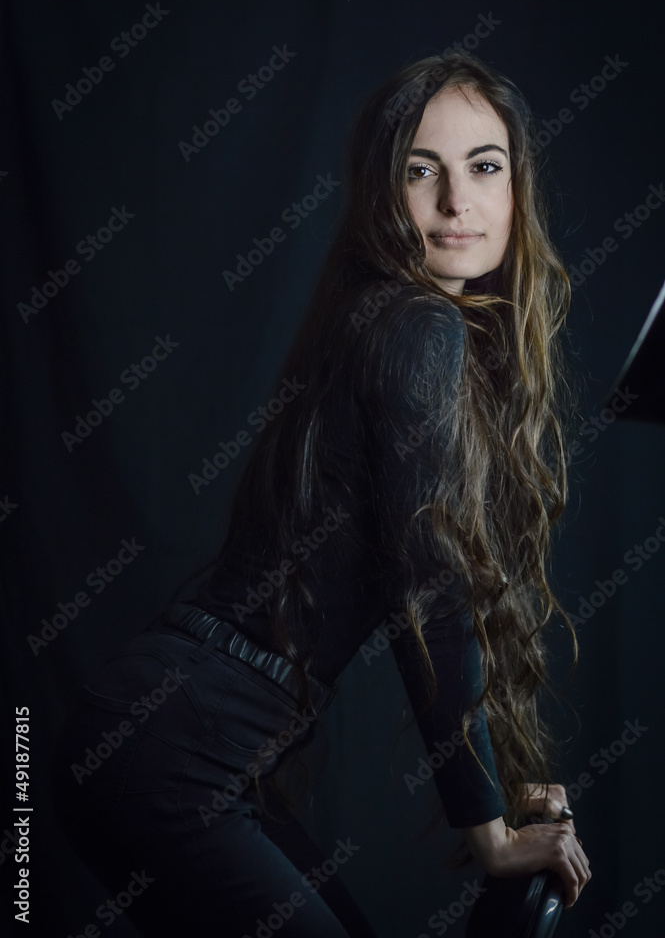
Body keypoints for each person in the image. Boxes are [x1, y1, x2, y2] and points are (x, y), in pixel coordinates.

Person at [50, 48, 591, 937]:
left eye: (484, 168)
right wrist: (487, 834)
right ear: (383, 193)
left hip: (181, 749)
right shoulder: (414, 323)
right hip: (174, 752)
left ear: (514, 187)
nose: (458, 203)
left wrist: (516, 779)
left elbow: (454, 595)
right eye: (423, 173)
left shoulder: (393, 323)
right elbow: (432, 597)